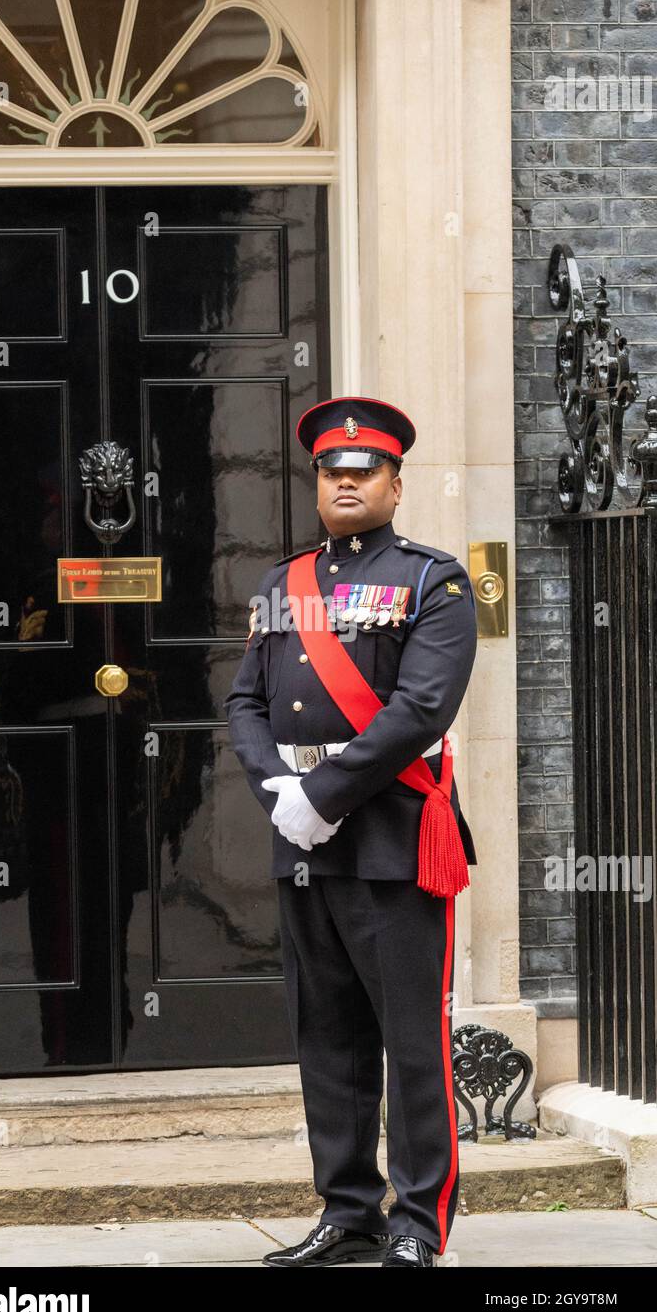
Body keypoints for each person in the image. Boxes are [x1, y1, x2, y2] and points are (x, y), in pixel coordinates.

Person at [223, 396, 478, 1267]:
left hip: (393, 839)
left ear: (395, 485)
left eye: (362, 471)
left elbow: (421, 708)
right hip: (302, 841)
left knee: (411, 1045)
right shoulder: (281, 584)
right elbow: (245, 701)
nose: (344, 482)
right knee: (325, 1038)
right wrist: (279, 794)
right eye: (332, 471)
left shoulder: (432, 581)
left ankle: (417, 1223)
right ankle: (348, 1212)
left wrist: (324, 791)